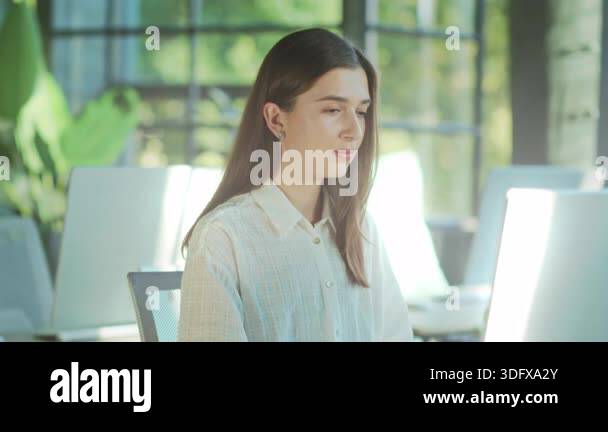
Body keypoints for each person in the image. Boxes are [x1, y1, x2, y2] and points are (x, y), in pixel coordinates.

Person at [178, 28, 413, 341]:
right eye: (332, 110)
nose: (354, 131)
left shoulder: (361, 230)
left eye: (361, 111)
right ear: (277, 119)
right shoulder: (223, 239)